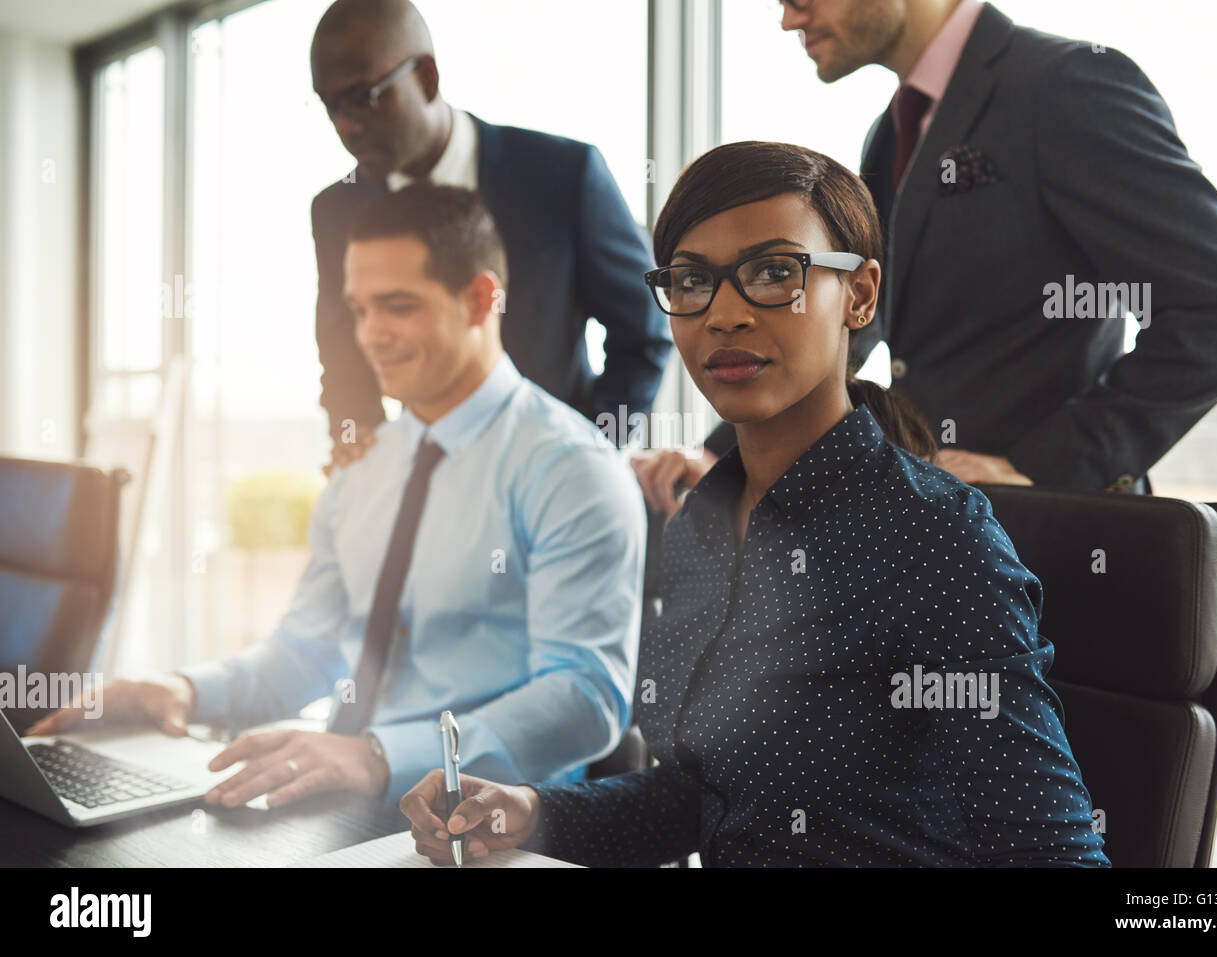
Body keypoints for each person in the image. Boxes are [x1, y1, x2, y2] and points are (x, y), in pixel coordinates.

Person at [399, 143, 1110, 867]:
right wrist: (532, 811)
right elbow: (703, 798)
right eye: (692, 280)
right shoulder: (700, 525)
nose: (725, 314)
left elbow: (1052, 852)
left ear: (859, 295)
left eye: (776, 273)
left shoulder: (934, 536)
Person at [28, 184, 646, 810]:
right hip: (337, 803)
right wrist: (184, 690)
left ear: (481, 299)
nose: (370, 335)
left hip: (482, 825)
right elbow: (305, 652)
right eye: (359, 309)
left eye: (397, 306)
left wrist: (380, 754)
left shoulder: (571, 470)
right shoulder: (364, 468)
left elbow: (585, 699)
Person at [633, 0, 1217, 505]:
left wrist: (1040, 467)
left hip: (1054, 543)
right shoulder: (890, 135)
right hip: (934, 541)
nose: (788, 17)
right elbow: (845, 328)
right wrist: (722, 456)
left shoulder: (1065, 85)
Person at [311, 0, 672, 471]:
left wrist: (587, 451)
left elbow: (643, 332)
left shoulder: (563, 176)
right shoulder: (337, 208)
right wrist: (365, 445)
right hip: (419, 478)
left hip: (550, 474)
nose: (346, 126)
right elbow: (341, 343)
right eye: (329, 105)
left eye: (363, 97)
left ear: (425, 77)